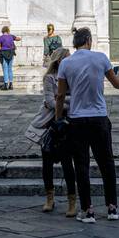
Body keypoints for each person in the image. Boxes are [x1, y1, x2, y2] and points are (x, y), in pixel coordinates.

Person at [56, 26, 119, 223]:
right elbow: (117, 84)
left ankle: (88, 210)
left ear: (75, 42)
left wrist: (59, 118)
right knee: (107, 164)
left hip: (77, 119)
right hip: (99, 118)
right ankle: (112, 208)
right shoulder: (101, 58)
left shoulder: (66, 63)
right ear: (89, 40)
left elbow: (60, 95)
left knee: (82, 166)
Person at [25, 48, 77, 215]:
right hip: (51, 125)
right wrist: (64, 102)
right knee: (46, 163)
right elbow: (49, 101)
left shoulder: (73, 77)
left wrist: (60, 99)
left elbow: (73, 99)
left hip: (68, 125)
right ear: (59, 61)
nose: (70, 63)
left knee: (68, 163)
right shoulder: (49, 78)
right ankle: (50, 198)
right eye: (67, 59)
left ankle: (72, 202)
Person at [0, 25, 20, 90]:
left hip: (4, 54)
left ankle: (6, 84)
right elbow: (18, 39)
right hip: (11, 53)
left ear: (2, 31)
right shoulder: (11, 36)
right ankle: (11, 84)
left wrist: (1, 47)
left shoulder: (0, 37)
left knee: (5, 69)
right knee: (10, 69)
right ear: (8, 31)